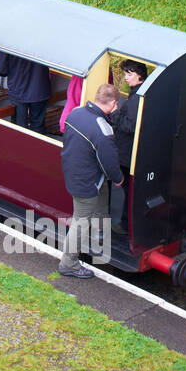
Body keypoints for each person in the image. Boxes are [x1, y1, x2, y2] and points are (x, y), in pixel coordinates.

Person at [58, 84, 123, 279]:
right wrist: (118, 178)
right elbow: (109, 161)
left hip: (74, 170)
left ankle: (100, 232)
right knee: (80, 221)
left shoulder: (76, 113)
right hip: (86, 180)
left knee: (102, 195)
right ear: (112, 103)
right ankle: (68, 263)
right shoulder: (103, 129)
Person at [110, 60, 148, 237]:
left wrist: (115, 113)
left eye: (129, 74)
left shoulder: (135, 100)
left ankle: (124, 225)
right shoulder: (141, 94)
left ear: (139, 75)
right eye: (125, 73)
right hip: (130, 151)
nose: (126, 78)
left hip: (125, 152)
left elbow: (129, 126)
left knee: (126, 188)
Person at [0, 51, 52, 134]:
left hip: (18, 88)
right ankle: (36, 146)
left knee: (20, 129)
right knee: (38, 127)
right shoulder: (44, 38)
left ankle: (21, 146)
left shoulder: (8, 39)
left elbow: (0, 69)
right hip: (40, 86)